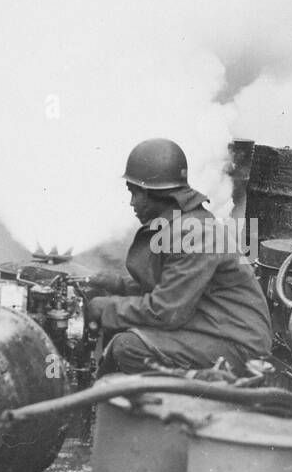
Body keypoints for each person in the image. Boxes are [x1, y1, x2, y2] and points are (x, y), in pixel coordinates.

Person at [84, 138, 274, 374]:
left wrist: (107, 308)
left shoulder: (193, 232)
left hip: (238, 344)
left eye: (135, 193)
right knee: (124, 331)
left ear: (155, 193)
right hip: (215, 328)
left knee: (128, 347)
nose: (132, 202)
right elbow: (173, 286)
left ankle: (169, 407)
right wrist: (120, 285)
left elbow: (166, 311)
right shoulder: (184, 224)